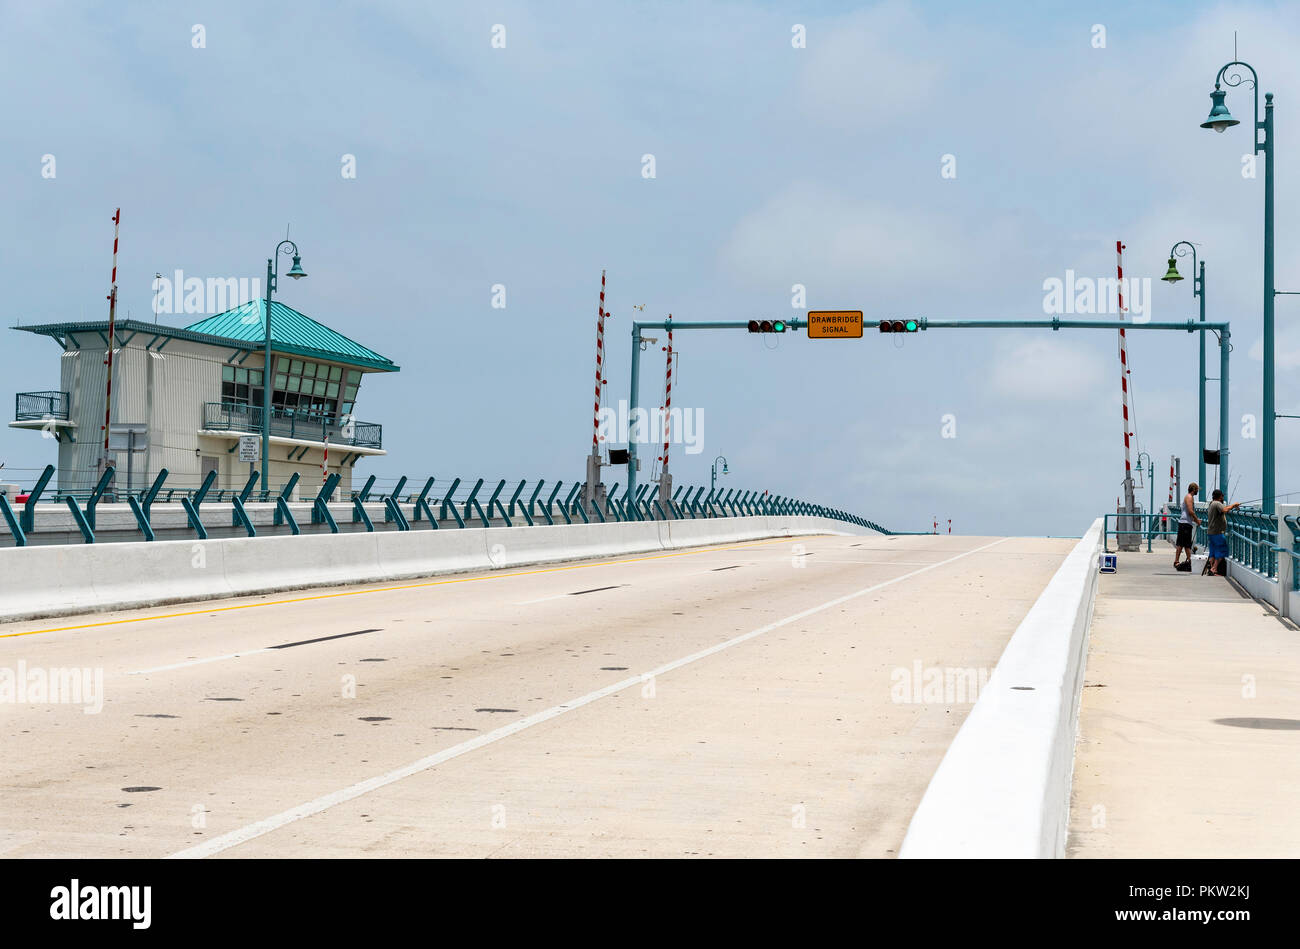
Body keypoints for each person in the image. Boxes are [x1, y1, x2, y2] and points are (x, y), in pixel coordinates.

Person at [1205, 488, 1242, 577]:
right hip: (1217, 532)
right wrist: (1233, 505)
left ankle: (1211, 569)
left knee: (1213, 551)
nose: (1223, 497)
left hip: (1211, 531)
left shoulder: (1212, 504)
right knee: (1222, 550)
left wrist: (1231, 506)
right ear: (1220, 496)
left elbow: (1224, 509)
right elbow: (1224, 510)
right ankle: (1214, 569)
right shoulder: (1217, 503)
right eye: (1222, 496)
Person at [1174, 482, 1200, 570]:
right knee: (1184, 543)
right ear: (1194, 489)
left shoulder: (1189, 497)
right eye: (1197, 490)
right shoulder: (1189, 497)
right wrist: (1197, 520)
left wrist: (1193, 520)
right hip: (1185, 523)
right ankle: (1180, 561)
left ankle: (1186, 560)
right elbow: (1190, 511)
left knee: (1185, 544)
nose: (1198, 491)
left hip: (1186, 523)